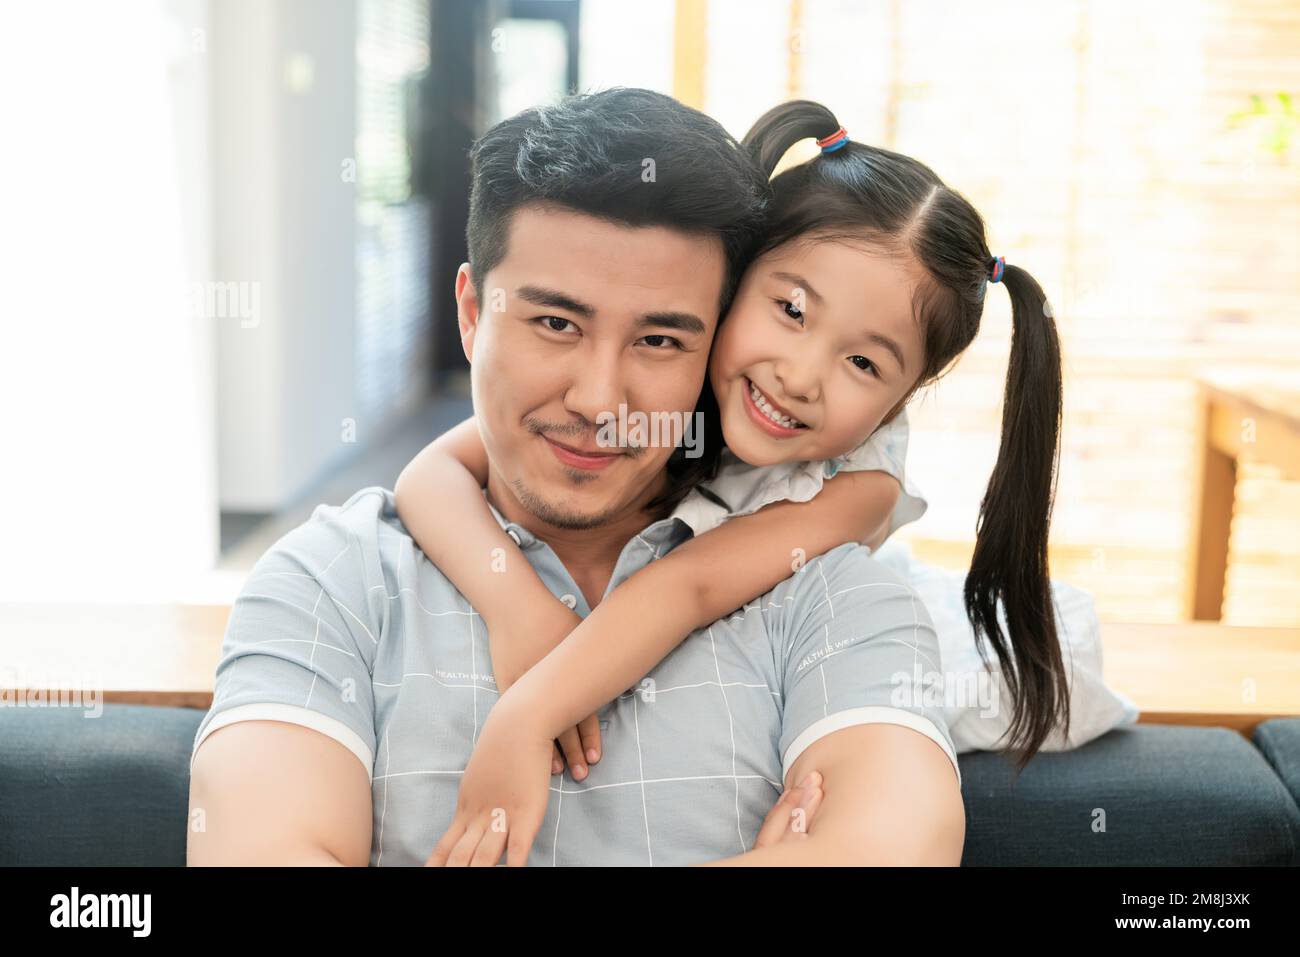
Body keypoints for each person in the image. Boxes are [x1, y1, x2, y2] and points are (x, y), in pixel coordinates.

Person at [187, 89, 966, 867]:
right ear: (470, 314)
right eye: (556, 323)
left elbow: (901, 849)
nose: (599, 400)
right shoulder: (334, 582)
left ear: (711, 345)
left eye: (660, 339)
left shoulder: (825, 587)